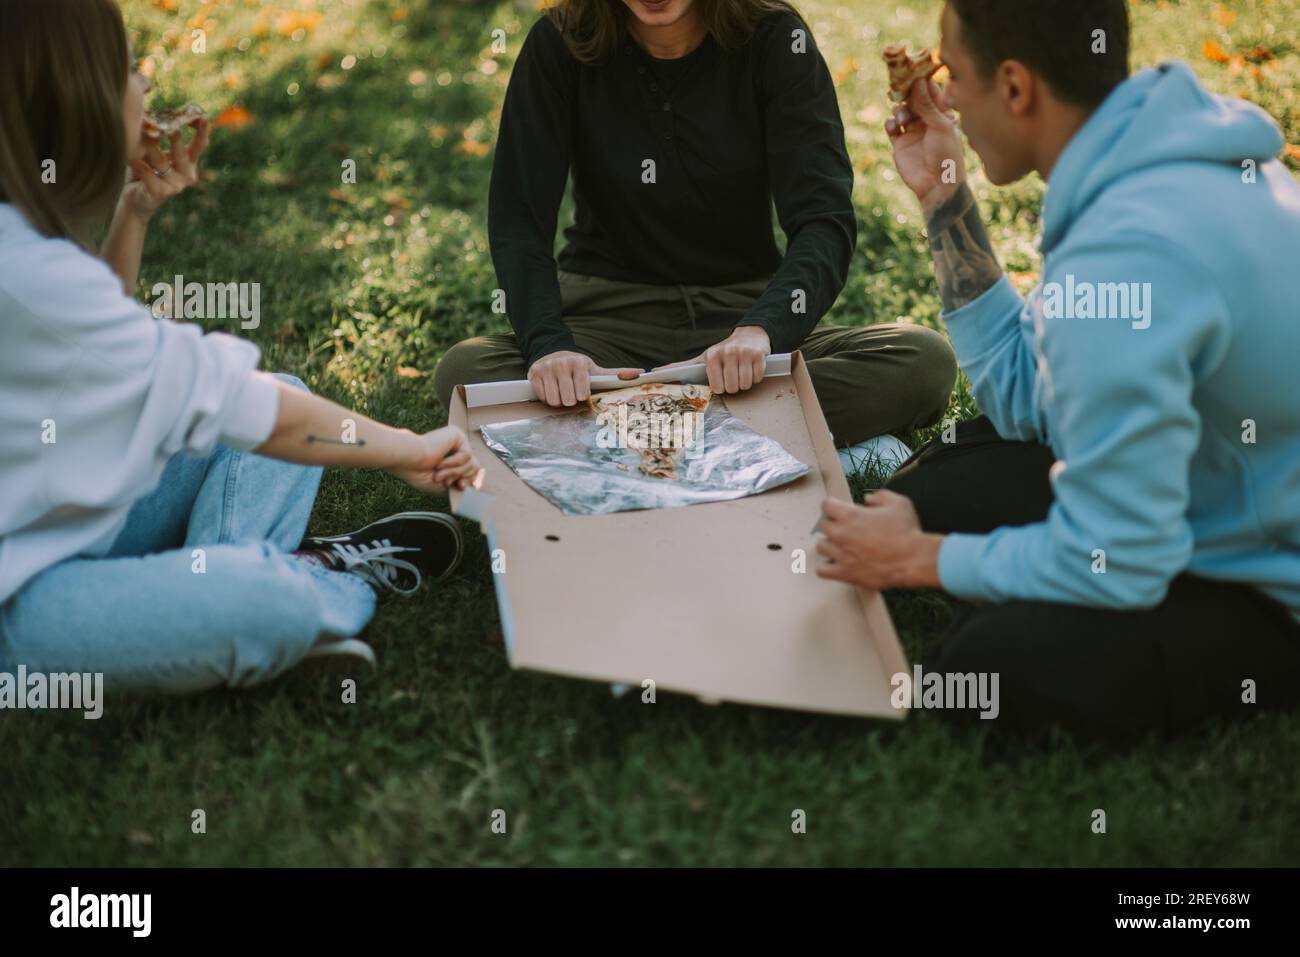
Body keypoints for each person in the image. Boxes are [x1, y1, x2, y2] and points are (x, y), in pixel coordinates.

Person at [816, 0, 1300, 741]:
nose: (943, 99)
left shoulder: (1128, 249)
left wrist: (924, 559)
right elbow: (1022, 399)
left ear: (1016, 88)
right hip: (1194, 486)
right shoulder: (1152, 157)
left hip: (1264, 579)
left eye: (951, 74)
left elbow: (1124, 557)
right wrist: (946, 198)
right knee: (938, 488)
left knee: (979, 677)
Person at [0, 0, 481, 693]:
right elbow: (255, 411)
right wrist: (411, 450)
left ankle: (221, 579)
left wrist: (133, 212)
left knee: (286, 389)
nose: (145, 86)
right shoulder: (27, 275)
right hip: (22, 601)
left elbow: (95, 345)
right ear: (78, 98)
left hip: (57, 514)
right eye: (130, 69)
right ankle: (310, 578)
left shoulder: (27, 247)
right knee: (267, 597)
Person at [434, 0, 958, 475]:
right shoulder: (559, 40)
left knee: (922, 360)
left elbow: (823, 218)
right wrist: (550, 348)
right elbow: (519, 218)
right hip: (603, 326)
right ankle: (763, 440)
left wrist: (763, 330)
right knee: (464, 371)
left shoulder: (778, 39)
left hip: (739, 328)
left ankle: (617, 439)